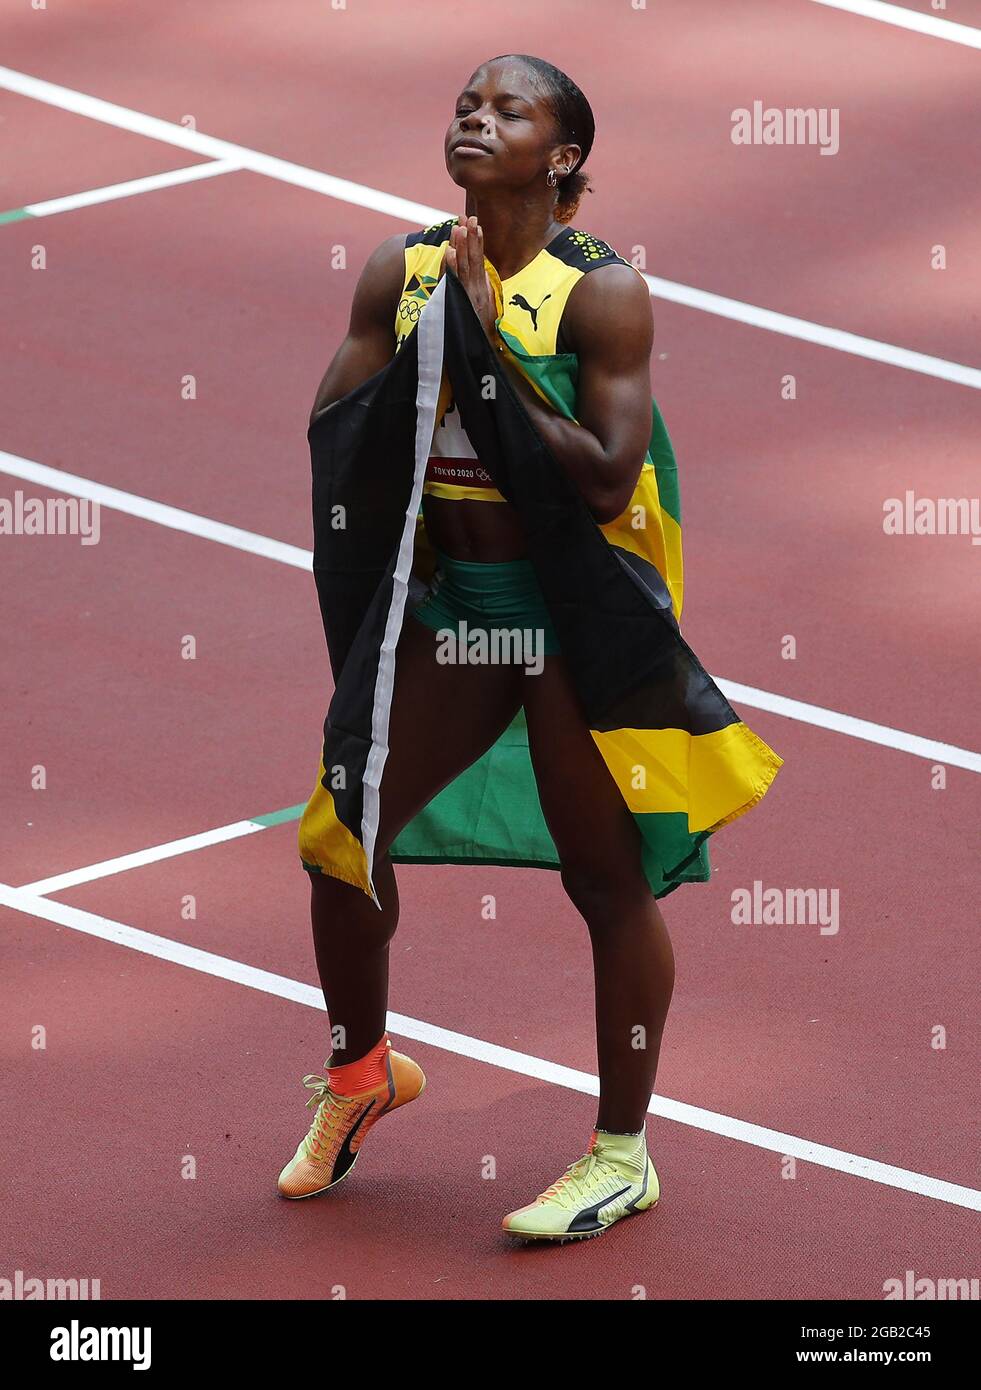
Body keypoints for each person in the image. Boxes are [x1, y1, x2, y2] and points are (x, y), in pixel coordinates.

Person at [278, 54, 781, 1242]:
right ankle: (361, 1078)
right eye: (467, 103)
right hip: (459, 614)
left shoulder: (602, 294)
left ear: (563, 160)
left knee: (604, 879)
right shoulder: (401, 270)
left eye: (510, 110)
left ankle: (620, 1154)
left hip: (567, 618)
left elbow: (608, 481)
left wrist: (485, 344)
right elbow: (338, 435)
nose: (475, 118)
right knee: (338, 838)